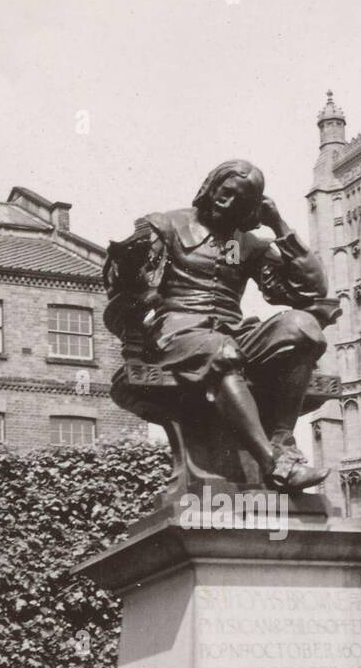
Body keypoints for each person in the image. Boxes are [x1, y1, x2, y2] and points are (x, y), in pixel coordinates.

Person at [104, 159, 336, 492]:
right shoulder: (165, 225)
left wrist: (278, 224)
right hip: (177, 333)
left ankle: (284, 444)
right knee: (222, 351)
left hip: (233, 333)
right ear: (210, 187)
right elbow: (124, 287)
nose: (226, 203)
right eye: (225, 193)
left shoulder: (250, 244)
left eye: (240, 201)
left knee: (304, 327)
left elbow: (312, 290)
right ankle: (275, 465)